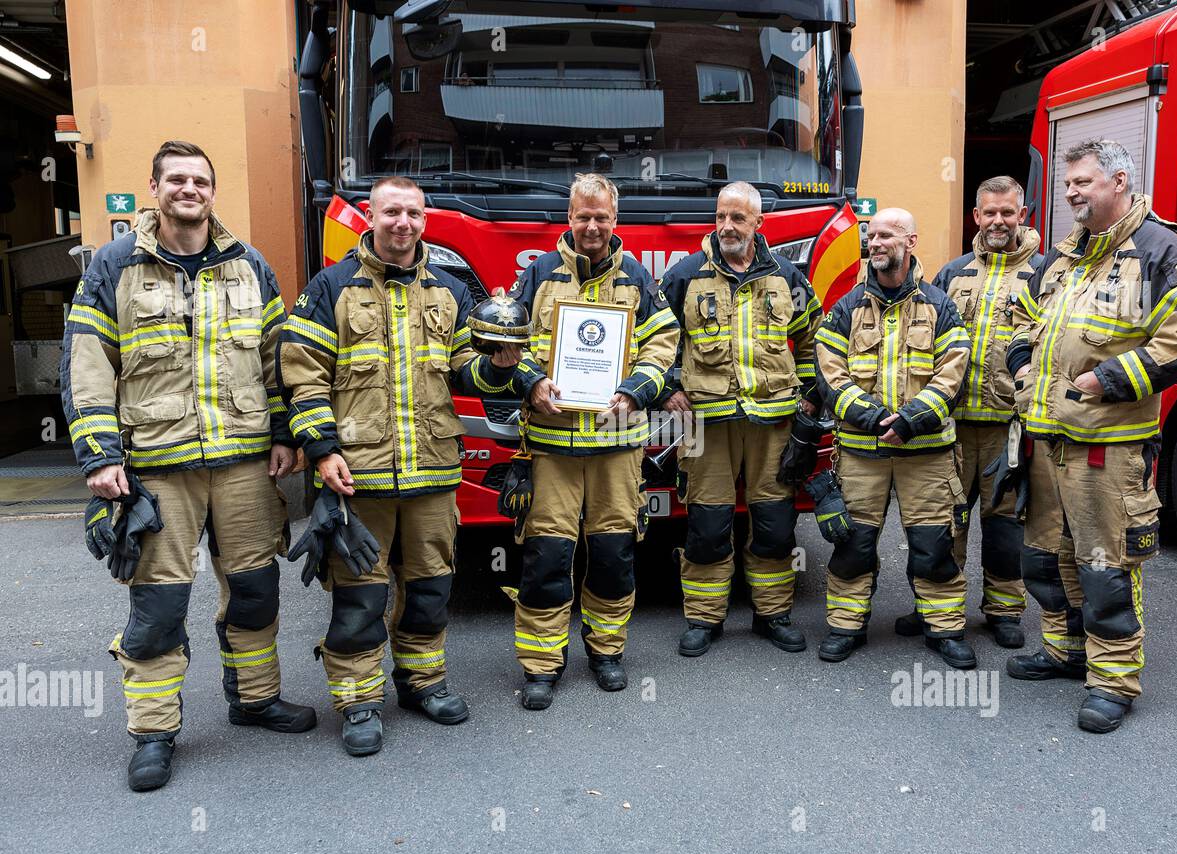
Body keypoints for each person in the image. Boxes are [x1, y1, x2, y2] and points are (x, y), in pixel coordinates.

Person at [62, 140, 315, 792]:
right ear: (154, 188)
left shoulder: (249, 265)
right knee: (159, 604)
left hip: (244, 464)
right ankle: (153, 733)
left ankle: (255, 698)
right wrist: (99, 456)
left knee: (255, 589)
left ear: (212, 189)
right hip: (157, 467)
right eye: (175, 179)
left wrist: (284, 434)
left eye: (199, 180)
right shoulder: (115, 265)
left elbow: (277, 360)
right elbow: (88, 364)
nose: (188, 189)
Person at [277, 176, 520, 755]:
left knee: (430, 587)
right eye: (391, 212)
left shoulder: (450, 290)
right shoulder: (330, 286)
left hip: (433, 471)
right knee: (360, 593)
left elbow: (466, 370)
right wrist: (323, 450)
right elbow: (303, 374)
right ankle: (359, 699)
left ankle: (422, 682)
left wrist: (500, 366)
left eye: (412, 213)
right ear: (371, 215)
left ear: (424, 221)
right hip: (359, 475)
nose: (402, 223)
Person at [1003, 139, 1177, 732]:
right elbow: (1021, 318)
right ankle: (1065, 651)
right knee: (1046, 558)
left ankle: (1113, 680)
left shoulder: (1161, 251)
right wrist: (1023, 366)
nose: (1071, 192)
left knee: (1106, 567)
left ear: (1119, 181)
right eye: (1068, 183)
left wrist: (1106, 379)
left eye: (1083, 182)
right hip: (1046, 440)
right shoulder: (1063, 255)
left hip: (1107, 449)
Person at [502, 173, 680, 710]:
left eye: (602, 217)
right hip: (552, 446)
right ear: (570, 218)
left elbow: (664, 342)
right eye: (583, 216)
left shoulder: (637, 278)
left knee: (612, 553)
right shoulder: (538, 274)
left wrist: (633, 391)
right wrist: (532, 382)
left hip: (616, 445)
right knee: (546, 556)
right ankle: (541, 664)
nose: (593, 226)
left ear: (615, 219)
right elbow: (508, 342)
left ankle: (606, 651)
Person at [658, 181, 822, 657]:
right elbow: (652, 339)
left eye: (738, 218)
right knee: (707, 525)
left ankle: (773, 615)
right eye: (721, 217)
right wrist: (667, 388)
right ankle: (704, 619)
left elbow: (814, 342)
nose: (727, 226)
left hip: (773, 422)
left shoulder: (788, 277)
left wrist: (811, 399)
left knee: (774, 523)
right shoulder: (683, 276)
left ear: (758, 223)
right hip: (705, 424)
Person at [813, 208, 975, 669]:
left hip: (925, 453)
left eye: (886, 234)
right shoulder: (846, 307)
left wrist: (910, 420)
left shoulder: (940, 305)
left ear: (911, 241)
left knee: (935, 544)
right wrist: (872, 417)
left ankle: (944, 629)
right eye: (872, 235)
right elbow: (829, 373)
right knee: (853, 544)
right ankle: (846, 626)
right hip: (861, 454)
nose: (876, 242)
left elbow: (954, 372)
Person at [929, 176, 1043, 648]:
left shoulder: (1044, 273)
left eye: (1007, 212)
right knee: (945, 521)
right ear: (976, 216)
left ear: (1022, 216)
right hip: (953, 427)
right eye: (990, 213)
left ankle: (1004, 611)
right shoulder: (951, 274)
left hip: (1009, 429)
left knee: (1004, 527)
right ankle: (938, 608)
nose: (999, 221)